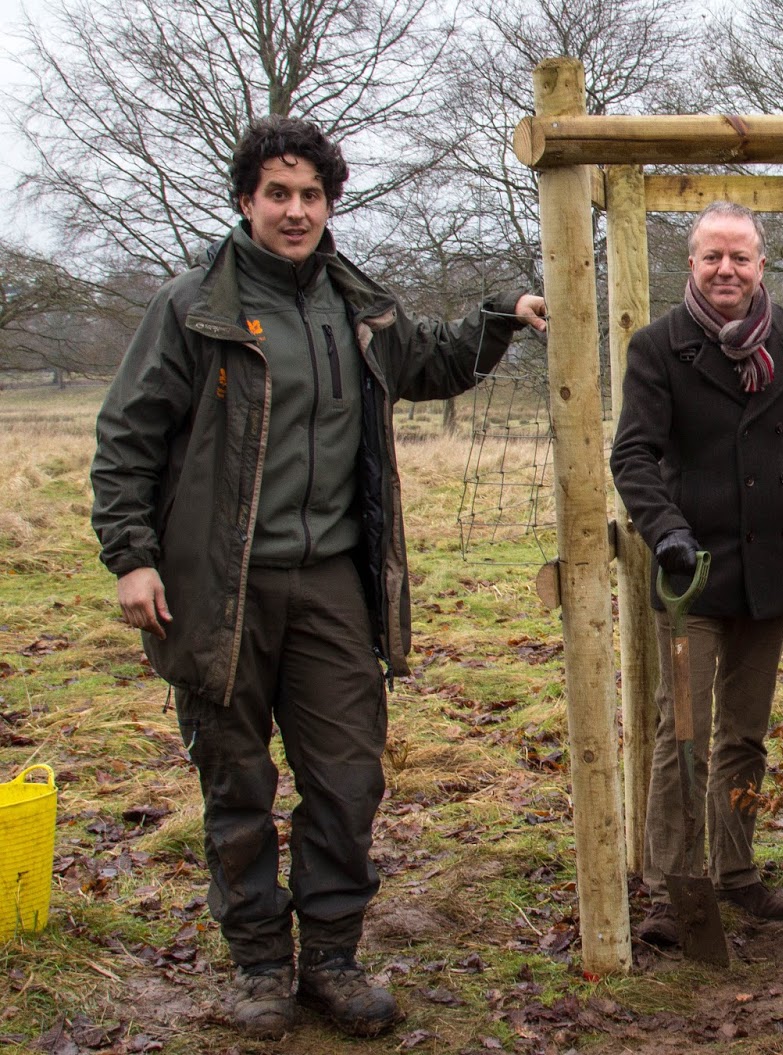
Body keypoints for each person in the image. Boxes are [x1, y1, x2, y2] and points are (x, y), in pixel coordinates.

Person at [91, 115, 547, 1040]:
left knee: (346, 778)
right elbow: (126, 439)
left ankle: (331, 959)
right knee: (236, 780)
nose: (295, 210)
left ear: (330, 203)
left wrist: (501, 318)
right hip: (216, 589)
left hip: (334, 583)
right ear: (247, 200)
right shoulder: (193, 309)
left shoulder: (359, 308)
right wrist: (132, 556)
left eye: (310, 194)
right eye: (277, 194)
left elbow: (431, 359)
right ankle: (260, 966)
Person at [610, 201, 783, 946]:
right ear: (691, 264)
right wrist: (664, 530)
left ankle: (736, 873)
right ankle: (677, 887)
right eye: (712, 258)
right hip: (689, 571)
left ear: (761, 264)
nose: (726, 270)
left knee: (746, 732)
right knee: (683, 730)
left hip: (769, 567)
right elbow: (632, 455)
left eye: (740, 257)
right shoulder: (660, 347)